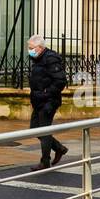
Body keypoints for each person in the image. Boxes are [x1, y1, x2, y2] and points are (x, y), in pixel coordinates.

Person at [27, 35, 69, 170]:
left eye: (31, 48)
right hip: (38, 101)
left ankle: (45, 161)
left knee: (44, 131)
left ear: (39, 48)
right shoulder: (37, 59)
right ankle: (59, 148)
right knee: (34, 129)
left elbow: (60, 81)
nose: (29, 50)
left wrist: (46, 93)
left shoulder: (51, 59)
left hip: (48, 101)